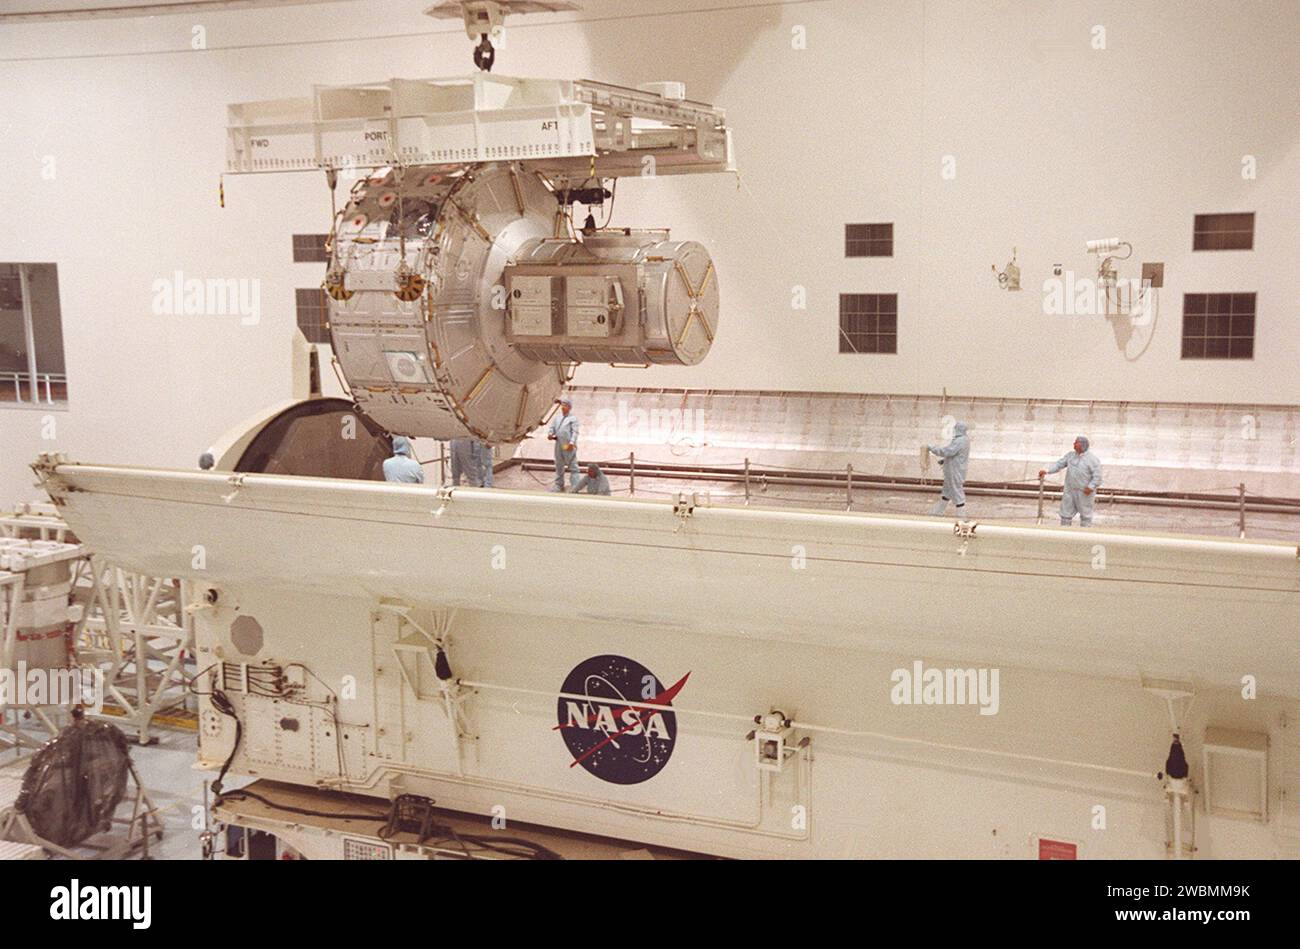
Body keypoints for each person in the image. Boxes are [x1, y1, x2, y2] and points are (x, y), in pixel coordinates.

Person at [1040, 435, 1102, 527]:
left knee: (1086, 515)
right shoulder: (1070, 456)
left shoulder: (1093, 459)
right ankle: (1064, 533)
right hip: (1070, 491)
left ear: (1082, 445)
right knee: (1065, 514)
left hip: (1084, 492)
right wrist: (1047, 471)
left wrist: (1091, 487)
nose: (1074, 444)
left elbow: (1098, 476)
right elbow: (1059, 464)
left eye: (1076, 442)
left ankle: (1085, 536)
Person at [926, 421, 970, 518]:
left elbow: (948, 451)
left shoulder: (960, 441)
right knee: (946, 492)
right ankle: (937, 512)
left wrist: (932, 448)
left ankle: (961, 516)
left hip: (954, 471)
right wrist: (945, 461)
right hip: (953, 469)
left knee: (957, 491)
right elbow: (956, 455)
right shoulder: (964, 439)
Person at [547, 396, 580, 491]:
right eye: (562, 405)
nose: (562, 407)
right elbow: (552, 427)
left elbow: (575, 432)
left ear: (569, 407)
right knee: (559, 464)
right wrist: (550, 434)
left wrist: (572, 443)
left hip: (568, 445)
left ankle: (575, 485)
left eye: (565, 405)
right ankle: (558, 484)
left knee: (573, 465)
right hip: (558, 444)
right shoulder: (557, 418)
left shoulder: (573, 419)